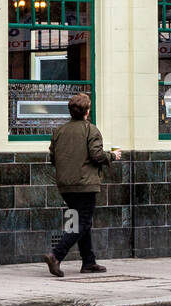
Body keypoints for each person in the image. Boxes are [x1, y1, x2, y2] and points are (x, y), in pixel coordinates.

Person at [44, 92, 121, 276]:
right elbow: (96, 155)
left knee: (80, 221)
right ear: (87, 111)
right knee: (83, 221)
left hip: (65, 185)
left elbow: (53, 158)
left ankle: (88, 262)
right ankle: (56, 255)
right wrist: (112, 156)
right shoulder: (90, 130)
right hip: (85, 184)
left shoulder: (59, 131)